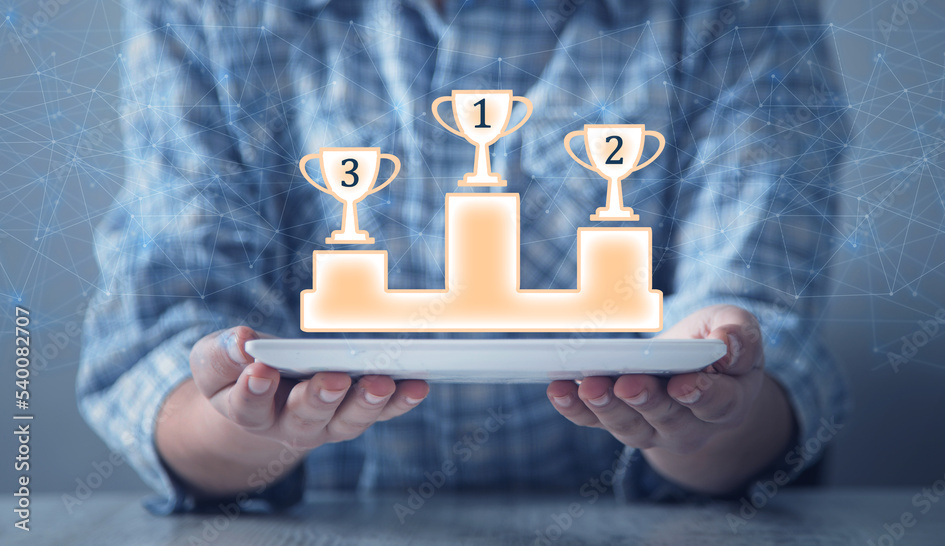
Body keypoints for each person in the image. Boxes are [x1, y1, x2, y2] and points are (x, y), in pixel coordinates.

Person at [79, 0, 849, 514]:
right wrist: (248, 426)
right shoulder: (205, 13)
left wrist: (709, 412)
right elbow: (176, 332)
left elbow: (757, 329)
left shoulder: (743, 14)